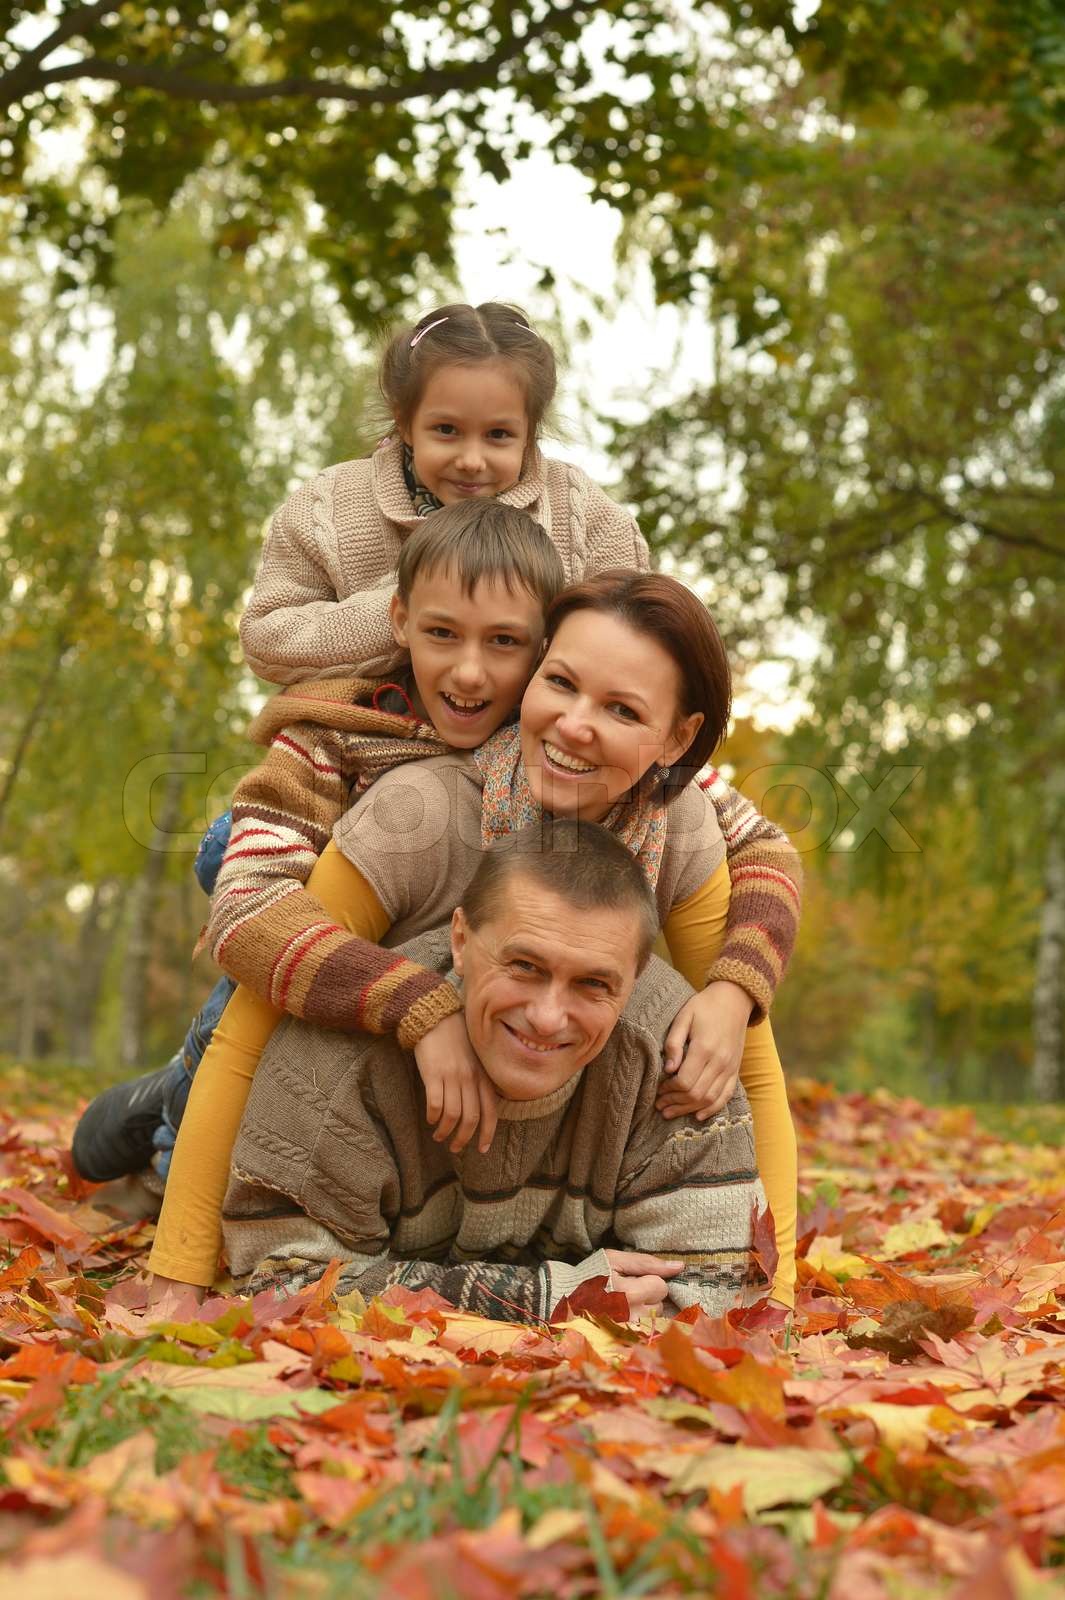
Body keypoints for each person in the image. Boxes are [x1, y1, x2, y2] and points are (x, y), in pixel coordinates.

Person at [148, 572, 800, 1307]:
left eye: (620, 709)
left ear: (677, 738)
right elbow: (250, 1028)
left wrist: (733, 991)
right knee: (188, 1129)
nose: (576, 725)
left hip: (484, 1152)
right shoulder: (418, 817)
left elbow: (752, 1071)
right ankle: (157, 1104)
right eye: (560, 683)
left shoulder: (677, 828)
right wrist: (175, 1275)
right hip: (327, 1082)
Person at [224, 823, 769, 1325]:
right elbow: (282, 1292)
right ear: (461, 940)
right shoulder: (336, 1062)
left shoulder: (674, 1052)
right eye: (525, 967)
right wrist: (535, 1299)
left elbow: (716, 1299)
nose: (547, 1017)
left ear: (636, 978)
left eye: (593, 984)